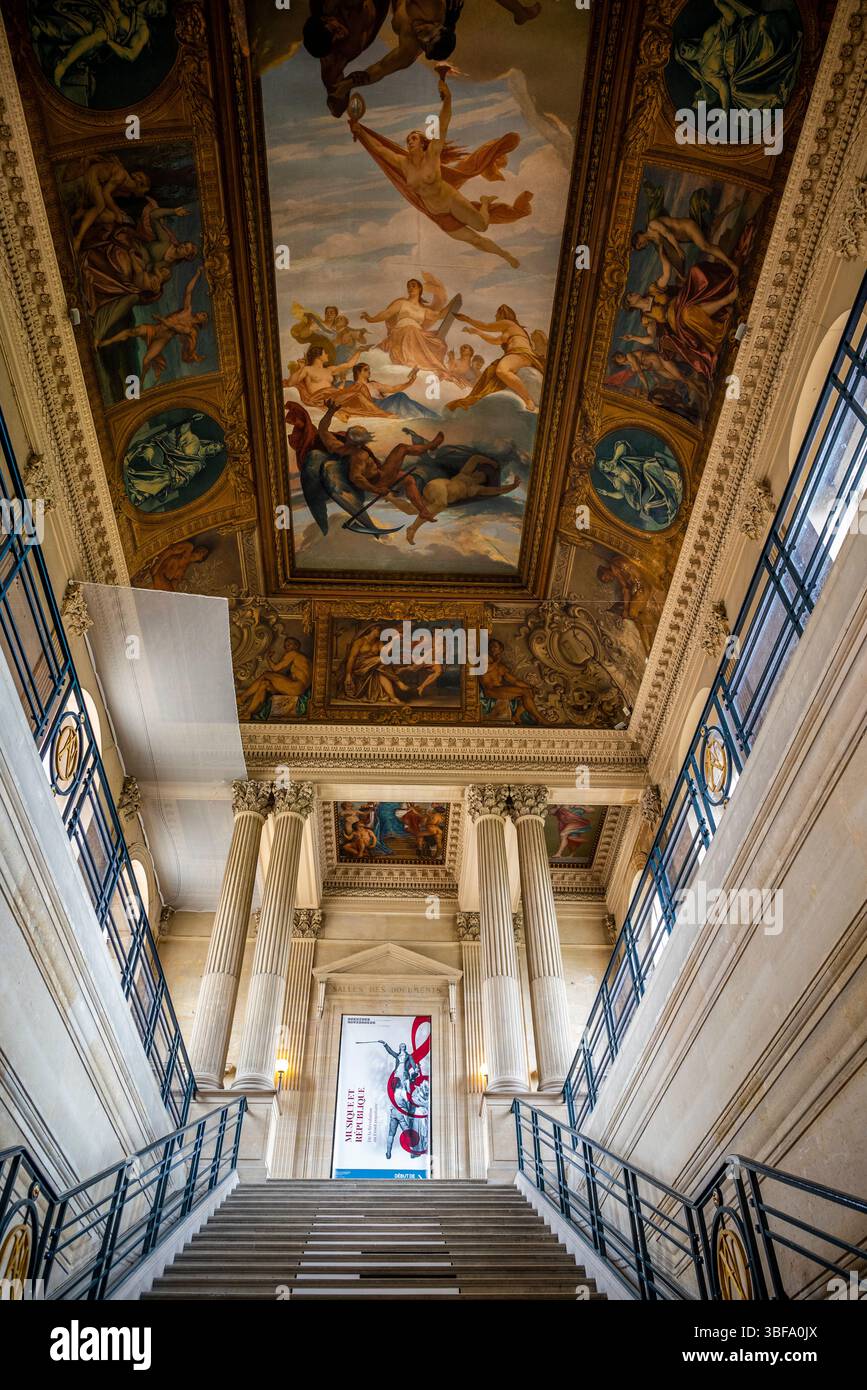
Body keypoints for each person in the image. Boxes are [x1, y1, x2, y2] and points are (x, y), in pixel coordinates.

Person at [349, 72, 531, 267]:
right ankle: (505, 256)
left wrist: (448, 99)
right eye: (408, 139)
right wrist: (359, 131)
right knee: (475, 240)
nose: (410, 141)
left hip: (451, 202)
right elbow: (379, 149)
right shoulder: (402, 163)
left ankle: (486, 205)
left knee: (483, 226)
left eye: (414, 138)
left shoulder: (433, 154)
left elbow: (443, 124)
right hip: (438, 214)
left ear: (423, 143)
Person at [316, 398, 441, 525]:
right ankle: (429, 447)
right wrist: (377, 490)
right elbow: (356, 478)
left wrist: (330, 412)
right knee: (402, 450)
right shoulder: (360, 455)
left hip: (378, 475)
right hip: (380, 480)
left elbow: (322, 430)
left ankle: (423, 511)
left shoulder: (337, 446)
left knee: (407, 476)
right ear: (361, 442)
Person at [96, 265, 208, 383]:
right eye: (203, 313)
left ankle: (141, 383)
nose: (201, 313)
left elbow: (174, 327)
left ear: (202, 321)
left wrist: (161, 319)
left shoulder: (189, 330)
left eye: (204, 315)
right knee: (133, 331)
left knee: (146, 360)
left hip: (162, 338)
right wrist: (197, 274)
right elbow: (188, 291)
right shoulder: (187, 310)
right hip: (156, 329)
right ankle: (105, 342)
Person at [447, 306, 543, 411]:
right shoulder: (511, 329)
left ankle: (528, 399)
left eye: (497, 314)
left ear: (502, 314)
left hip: (520, 354)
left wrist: (467, 319)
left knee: (502, 370)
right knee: (490, 372)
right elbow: (495, 341)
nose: (495, 316)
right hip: (517, 355)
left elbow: (486, 326)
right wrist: (477, 333)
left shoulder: (508, 323)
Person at [236, 636, 312, 720]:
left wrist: (268, 658)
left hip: (295, 686)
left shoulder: (293, 653)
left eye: (289, 644)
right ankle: (248, 713)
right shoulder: (305, 659)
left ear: (296, 646)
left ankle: (242, 697)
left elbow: (276, 668)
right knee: (264, 684)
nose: (286, 648)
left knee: (266, 674)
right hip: (297, 688)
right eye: (285, 645)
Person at [479, 638, 549, 724]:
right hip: (490, 690)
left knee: (529, 691)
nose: (492, 648)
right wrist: (496, 661)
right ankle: (540, 719)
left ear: (501, 650)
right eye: (490, 646)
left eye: (495, 646)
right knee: (524, 692)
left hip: (499, 689)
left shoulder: (501, 667)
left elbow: (515, 681)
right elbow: (483, 670)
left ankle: (516, 716)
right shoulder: (482, 660)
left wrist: (532, 687)